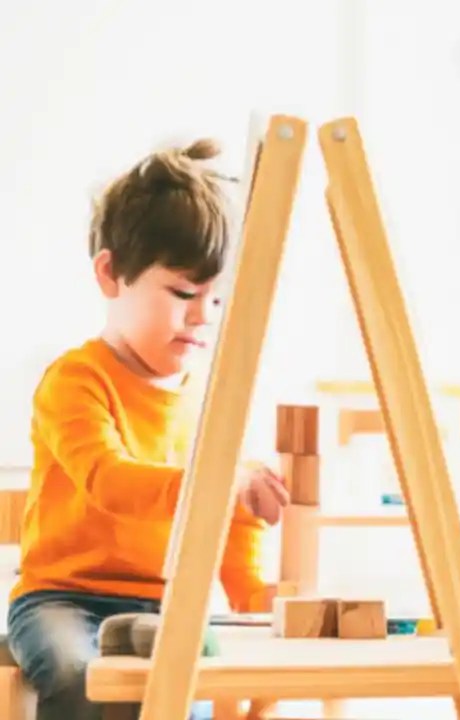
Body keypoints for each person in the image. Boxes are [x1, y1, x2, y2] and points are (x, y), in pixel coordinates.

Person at [7, 139, 290, 720]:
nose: (201, 316)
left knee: (188, 682)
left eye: (217, 300)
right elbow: (110, 482)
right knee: (79, 675)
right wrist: (221, 479)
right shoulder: (75, 381)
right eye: (184, 293)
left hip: (166, 605)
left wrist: (257, 597)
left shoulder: (212, 400)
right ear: (111, 274)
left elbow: (234, 526)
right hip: (64, 599)